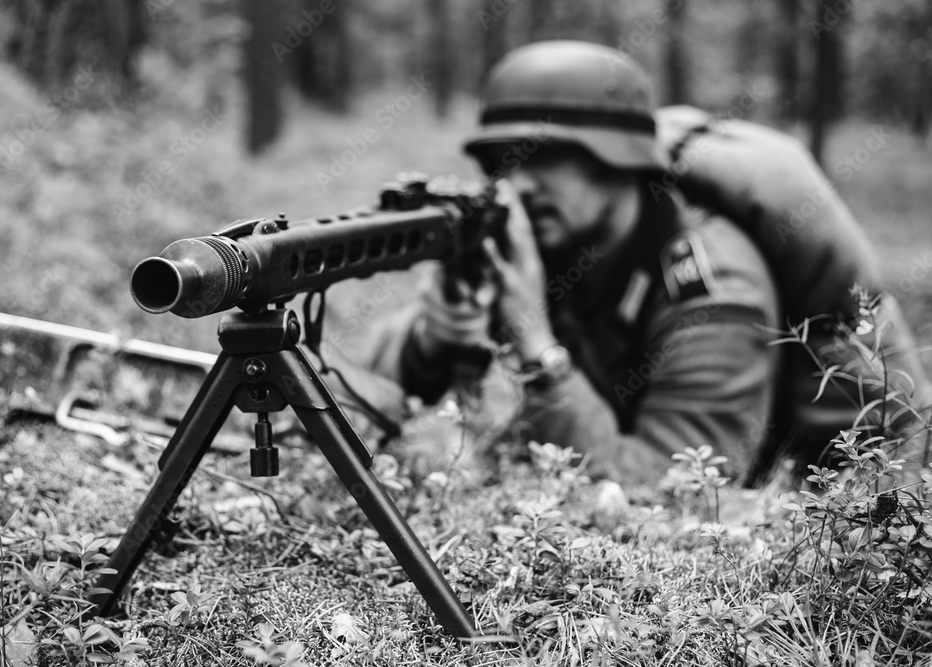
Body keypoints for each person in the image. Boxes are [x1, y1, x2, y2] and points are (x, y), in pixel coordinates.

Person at [368, 40, 930, 486]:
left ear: (621, 160)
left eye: (544, 157)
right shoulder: (545, 237)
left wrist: (537, 346)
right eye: (499, 162)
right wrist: (435, 338)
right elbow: (377, 382)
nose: (516, 182)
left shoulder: (715, 286)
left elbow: (673, 486)